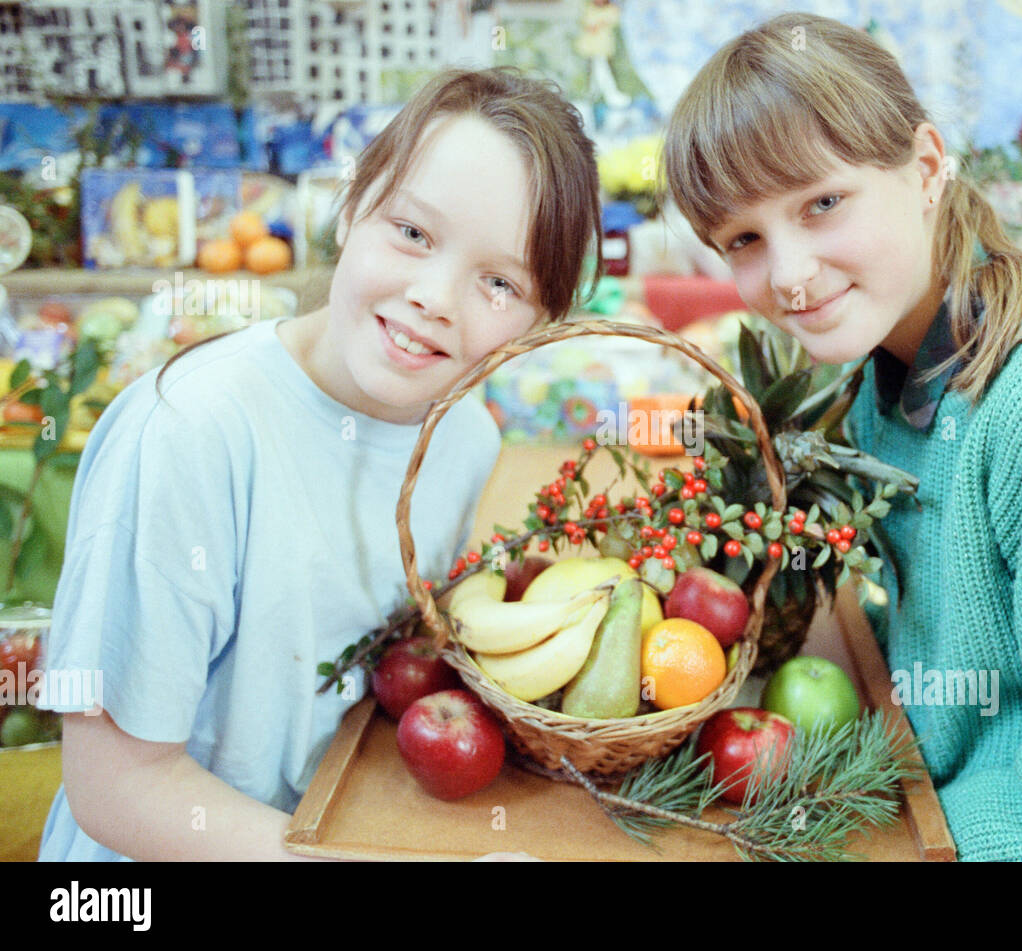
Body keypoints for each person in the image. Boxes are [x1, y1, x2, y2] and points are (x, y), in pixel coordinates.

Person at [662, 14, 1022, 861]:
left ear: (927, 165)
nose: (789, 275)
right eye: (744, 239)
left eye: (822, 203)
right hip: (923, 809)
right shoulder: (884, 367)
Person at [37, 68, 602, 861]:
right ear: (349, 206)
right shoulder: (190, 432)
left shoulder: (465, 436)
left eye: (500, 282)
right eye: (413, 232)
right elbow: (116, 786)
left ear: (539, 327)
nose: (435, 297)